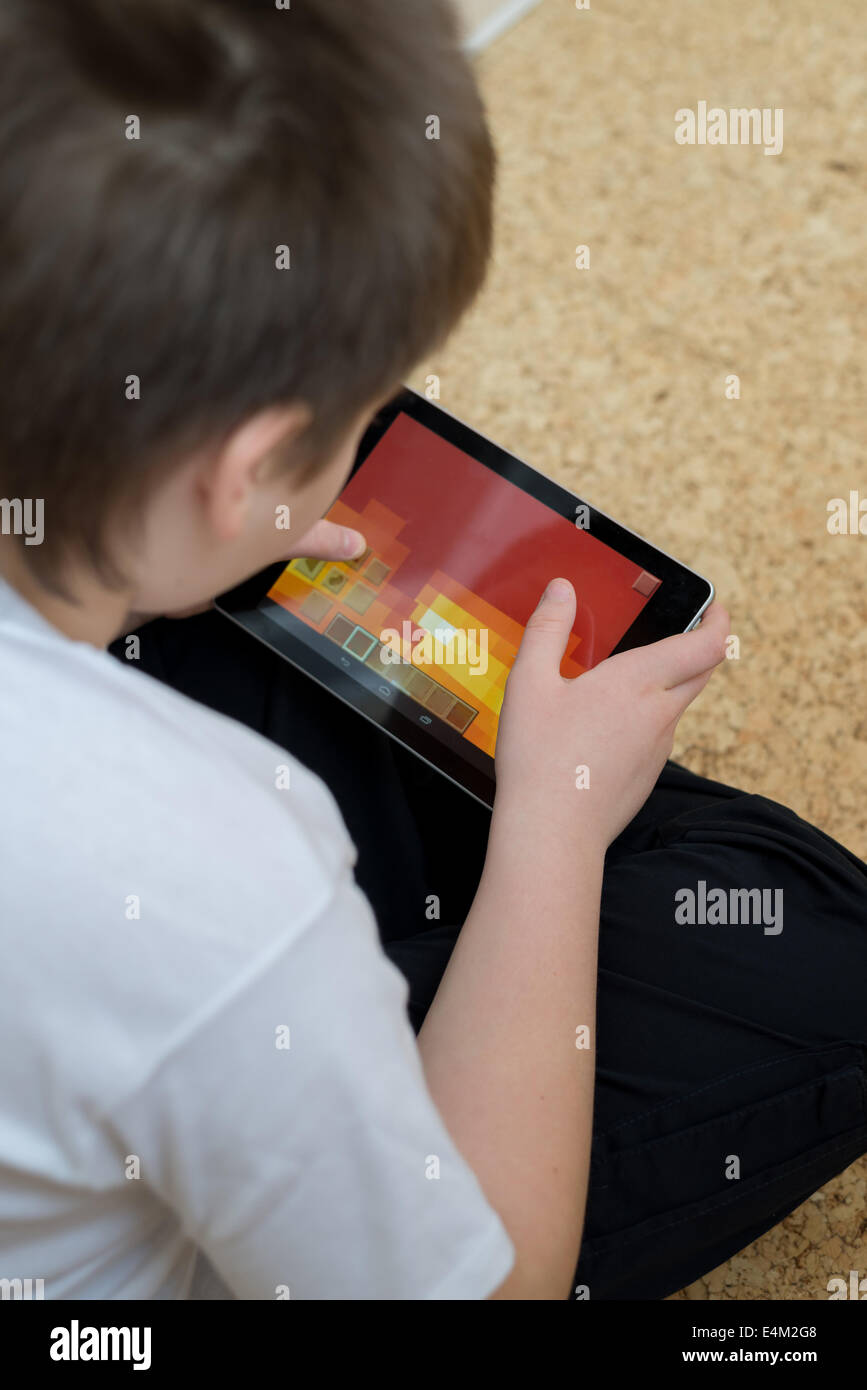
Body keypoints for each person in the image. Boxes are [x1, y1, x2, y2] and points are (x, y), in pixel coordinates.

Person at [1, 0, 864, 1301]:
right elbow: (485, 1289)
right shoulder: (217, 883)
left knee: (360, 671)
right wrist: (554, 832)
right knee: (815, 944)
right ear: (236, 475)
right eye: (349, 421)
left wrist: (240, 539)